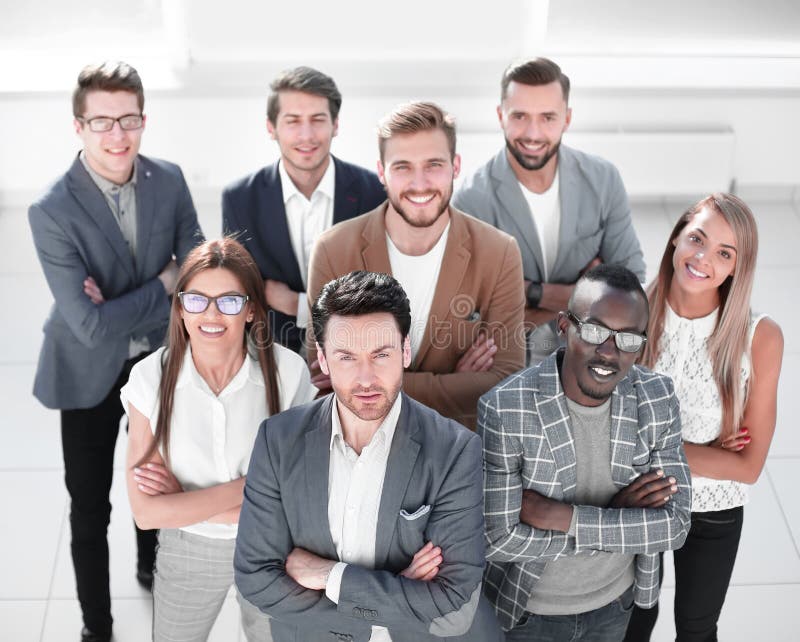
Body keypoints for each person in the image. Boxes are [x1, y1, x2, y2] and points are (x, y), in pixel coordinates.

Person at [28, 61, 203, 642]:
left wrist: (170, 284)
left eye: (128, 118)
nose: (117, 134)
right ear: (78, 127)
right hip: (85, 373)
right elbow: (88, 325)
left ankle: (149, 565)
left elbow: (198, 276)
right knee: (89, 506)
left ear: (144, 119)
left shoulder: (171, 180)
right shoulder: (52, 210)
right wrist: (162, 284)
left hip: (153, 361)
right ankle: (96, 626)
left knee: (153, 477)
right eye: (101, 121)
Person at [234, 270, 504, 642]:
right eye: (346, 357)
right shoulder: (277, 440)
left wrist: (330, 577)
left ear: (405, 352)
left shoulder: (455, 450)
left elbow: (452, 599)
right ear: (323, 360)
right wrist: (390, 596)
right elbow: (256, 578)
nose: (365, 379)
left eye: (381, 355)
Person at [479, 264, 692, 640]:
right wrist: (617, 519)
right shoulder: (506, 409)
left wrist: (565, 517)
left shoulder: (657, 396)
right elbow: (497, 539)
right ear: (564, 327)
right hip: (532, 611)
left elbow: (674, 526)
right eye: (594, 331)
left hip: (615, 603)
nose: (609, 352)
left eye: (627, 339)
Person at [122, 238, 316, 641]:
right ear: (179, 308)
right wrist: (255, 489)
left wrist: (182, 501)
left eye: (229, 301)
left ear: (250, 310)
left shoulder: (287, 372)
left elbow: (296, 498)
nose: (211, 314)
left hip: (271, 552)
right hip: (189, 550)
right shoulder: (149, 379)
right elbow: (147, 513)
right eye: (196, 300)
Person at [624, 194, 783, 642]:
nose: (702, 258)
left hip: (714, 506)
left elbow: (748, 467)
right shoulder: (631, 313)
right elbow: (608, 428)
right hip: (636, 496)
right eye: (697, 238)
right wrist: (708, 452)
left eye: (724, 253)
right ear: (676, 236)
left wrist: (657, 445)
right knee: (633, 622)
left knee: (696, 628)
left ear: (737, 267)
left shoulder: (760, 337)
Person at [307, 101, 525, 429]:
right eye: (403, 167)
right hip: (364, 449)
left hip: (459, 452)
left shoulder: (499, 252)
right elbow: (323, 377)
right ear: (381, 172)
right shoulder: (334, 250)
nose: (419, 183)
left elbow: (506, 383)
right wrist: (454, 380)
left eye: (434, 165)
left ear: (456, 166)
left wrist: (375, 379)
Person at [453, 57, 645, 364]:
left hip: (593, 353)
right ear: (501, 115)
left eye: (547, 117)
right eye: (519, 116)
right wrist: (577, 294)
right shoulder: (470, 201)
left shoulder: (604, 179)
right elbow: (474, 314)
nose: (533, 133)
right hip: (510, 363)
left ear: (567, 119)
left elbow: (631, 278)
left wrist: (529, 292)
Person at [223, 66, 385, 354]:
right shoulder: (240, 199)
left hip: (356, 355)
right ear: (271, 127)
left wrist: (294, 304)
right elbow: (242, 293)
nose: (306, 135)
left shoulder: (373, 192)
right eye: (293, 121)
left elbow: (380, 292)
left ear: (336, 124)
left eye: (318, 120)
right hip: (271, 360)